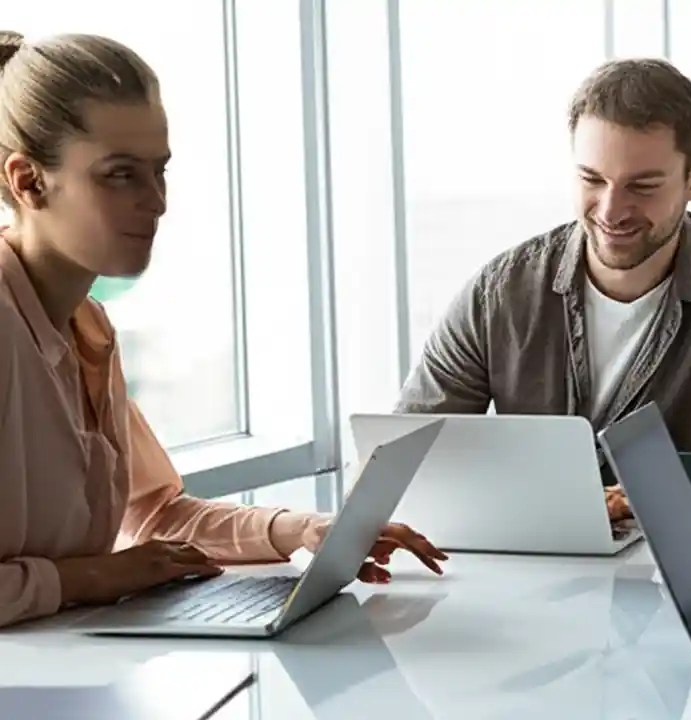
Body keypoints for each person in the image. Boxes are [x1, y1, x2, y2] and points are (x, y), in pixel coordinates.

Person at [0, 32, 446, 629]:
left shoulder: (87, 325)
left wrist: (306, 532)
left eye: (159, 171)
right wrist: (91, 578)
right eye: (120, 175)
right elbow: (113, 562)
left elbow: (155, 517)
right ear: (29, 182)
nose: (156, 201)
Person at [396, 58, 691, 518]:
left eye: (642, 187)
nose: (611, 211)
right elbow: (406, 456)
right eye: (592, 179)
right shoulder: (499, 294)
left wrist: (651, 497)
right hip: (525, 542)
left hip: (663, 547)